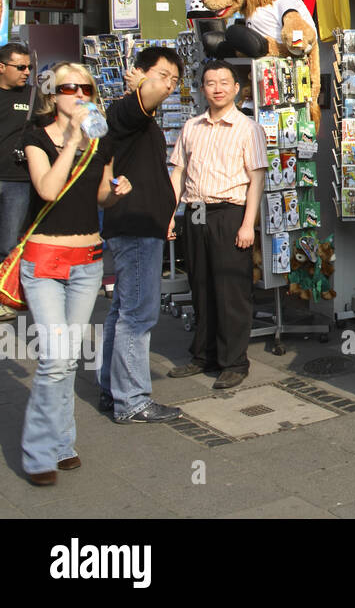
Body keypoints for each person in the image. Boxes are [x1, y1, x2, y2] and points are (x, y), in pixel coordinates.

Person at [20, 63, 131, 486]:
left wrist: (116, 191)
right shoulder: (36, 136)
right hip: (45, 259)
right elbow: (47, 189)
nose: (79, 92)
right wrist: (71, 141)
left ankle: (63, 443)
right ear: (52, 94)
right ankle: (39, 454)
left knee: (67, 359)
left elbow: (100, 197)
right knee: (56, 358)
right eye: (69, 86)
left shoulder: (102, 138)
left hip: (87, 260)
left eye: (86, 86)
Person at [97, 47, 185, 423]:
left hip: (143, 225)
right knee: (138, 314)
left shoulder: (140, 118)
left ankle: (111, 389)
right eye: (163, 75)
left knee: (122, 310)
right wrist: (143, 85)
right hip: (133, 226)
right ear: (138, 75)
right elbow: (146, 97)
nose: (169, 85)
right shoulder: (126, 110)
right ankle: (132, 400)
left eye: (175, 80)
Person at [167, 59, 267, 390]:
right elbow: (178, 173)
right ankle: (203, 354)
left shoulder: (247, 128)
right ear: (202, 89)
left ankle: (234, 361)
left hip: (229, 212)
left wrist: (247, 225)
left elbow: (256, 179)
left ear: (237, 88)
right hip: (195, 211)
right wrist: (170, 215)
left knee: (231, 290)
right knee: (200, 284)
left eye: (224, 82)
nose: (218, 88)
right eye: (211, 83)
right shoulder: (191, 127)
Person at [0, 42, 33, 321]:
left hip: (18, 180)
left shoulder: (33, 96)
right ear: (2, 67)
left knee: (10, 242)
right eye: (20, 67)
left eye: (28, 68)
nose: (26, 73)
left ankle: (4, 297)